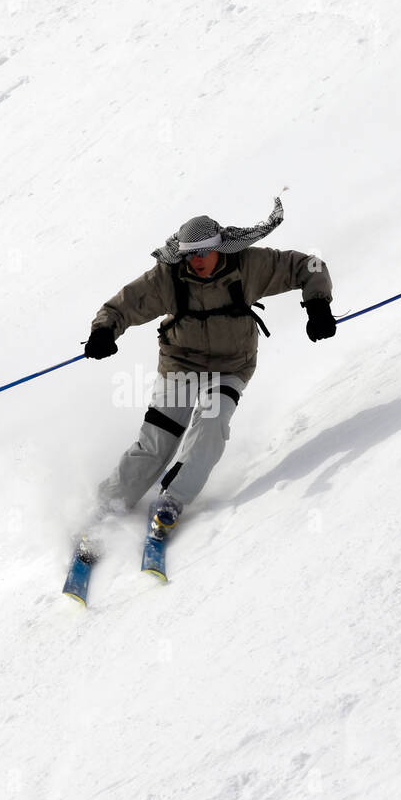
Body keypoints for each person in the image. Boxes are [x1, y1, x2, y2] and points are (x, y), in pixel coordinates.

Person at [81, 197, 336, 545]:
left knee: (211, 423)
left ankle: (172, 500)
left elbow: (311, 266)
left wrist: (318, 305)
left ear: (218, 248)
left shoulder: (250, 266)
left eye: (201, 253)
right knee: (159, 438)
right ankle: (109, 504)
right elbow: (124, 305)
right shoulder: (168, 278)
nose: (195, 261)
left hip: (231, 365)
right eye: (189, 255)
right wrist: (104, 331)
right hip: (181, 362)